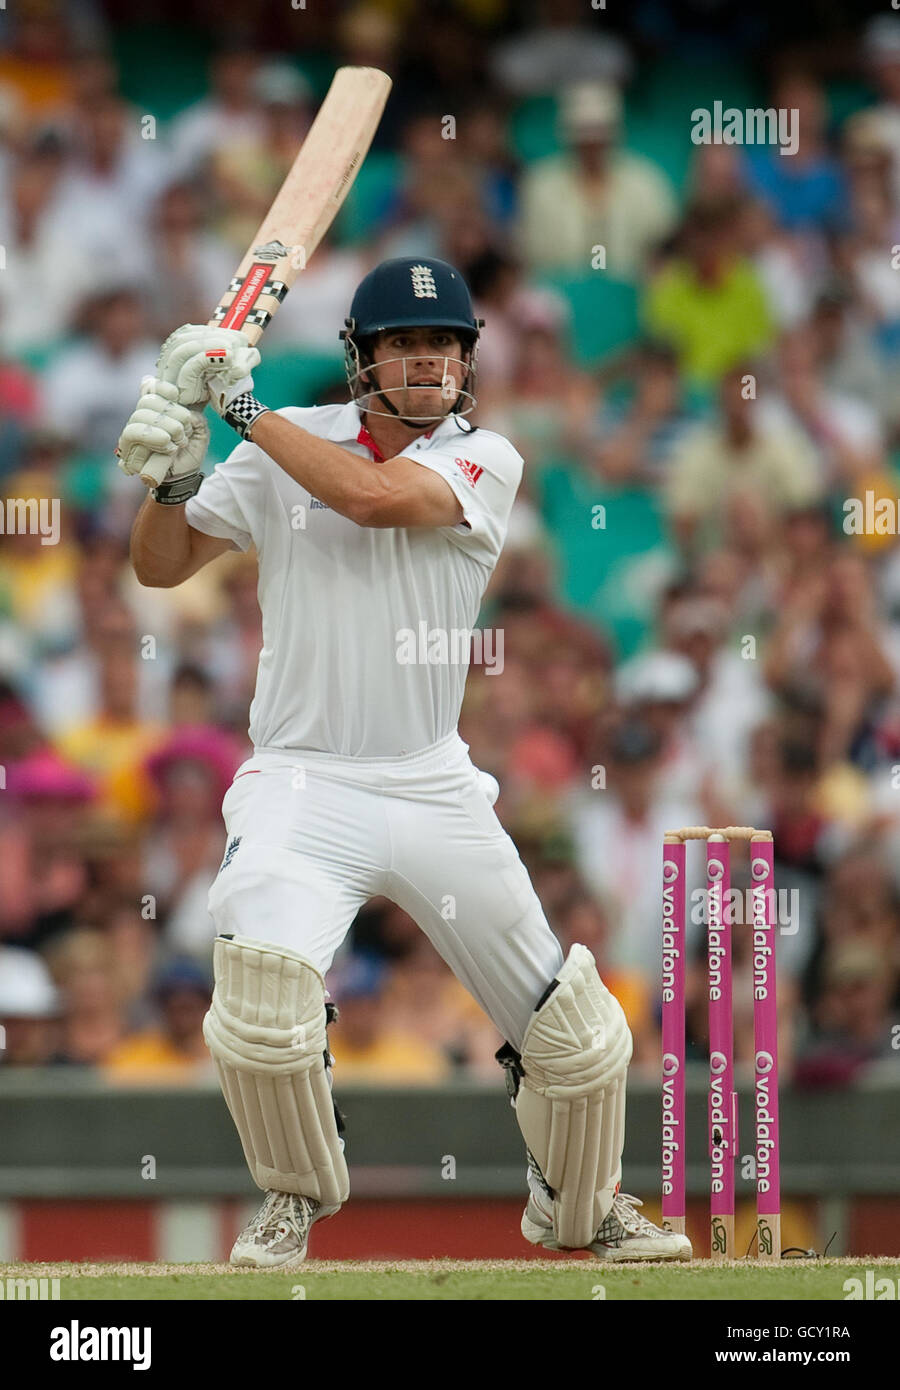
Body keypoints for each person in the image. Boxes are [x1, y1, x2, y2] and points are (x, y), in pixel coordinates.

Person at [117, 256, 691, 1269]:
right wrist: (170, 478)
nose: (428, 364)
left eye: (445, 347)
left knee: (581, 1038)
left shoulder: (485, 459)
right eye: (404, 345)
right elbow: (160, 566)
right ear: (363, 357)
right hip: (301, 778)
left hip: (430, 782)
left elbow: (375, 499)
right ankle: (294, 1198)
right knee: (259, 1006)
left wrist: (240, 406)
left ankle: (582, 1208)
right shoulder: (285, 444)